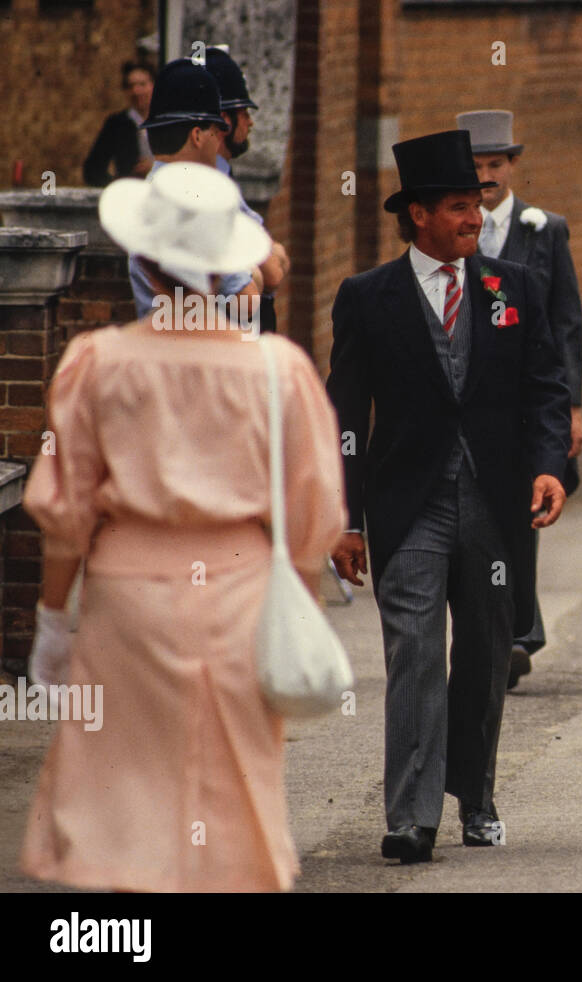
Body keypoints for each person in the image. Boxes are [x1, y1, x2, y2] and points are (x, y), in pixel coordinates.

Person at [20, 163, 345, 891]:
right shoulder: (278, 372)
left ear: (142, 262)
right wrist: (302, 612)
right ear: (232, 268)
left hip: (127, 599)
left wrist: (50, 620)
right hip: (240, 595)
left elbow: (68, 516)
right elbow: (313, 518)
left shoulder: (97, 365)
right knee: (230, 782)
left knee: (121, 792)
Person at [327, 130, 571, 862]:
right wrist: (346, 520)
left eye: (479, 204)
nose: (476, 218)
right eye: (462, 207)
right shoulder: (367, 299)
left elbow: (547, 390)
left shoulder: (512, 289)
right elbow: (343, 416)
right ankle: (411, 814)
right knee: (415, 653)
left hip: (497, 506)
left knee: (487, 656)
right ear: (422, 216)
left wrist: (549, 464)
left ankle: (478, 795)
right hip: (407, 505)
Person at [457, 109, 582, 689]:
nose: (486, 176)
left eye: (495, 164)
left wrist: (572, 407)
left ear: (512, 165)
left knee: (521, 514)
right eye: (476, 166)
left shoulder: (543, 229)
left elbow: (565, 322)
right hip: (469, 396)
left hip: (527, 400)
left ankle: (512, 633)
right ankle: (497, 632)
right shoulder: (453, 229)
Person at [127, 59, 258, 323]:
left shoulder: (148, 195)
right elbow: (248, 301)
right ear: (197, 135)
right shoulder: (196, 203)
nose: (218, 140)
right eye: (215, 131)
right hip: (206, 356)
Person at [205, 46, 289, 334]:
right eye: (244, 112)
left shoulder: (223, 175)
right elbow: (273, 272)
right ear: (225, 119)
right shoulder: (208, 184)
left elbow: (271, 262)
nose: (250, 122)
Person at [82, 61, 155, 186]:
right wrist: (116, 187)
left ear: (154, 86)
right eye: (130, 86)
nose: (136, 91)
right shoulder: (117, 124)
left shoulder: (168, 121)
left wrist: (156, 167)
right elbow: (92, 170)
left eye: (142, 85)